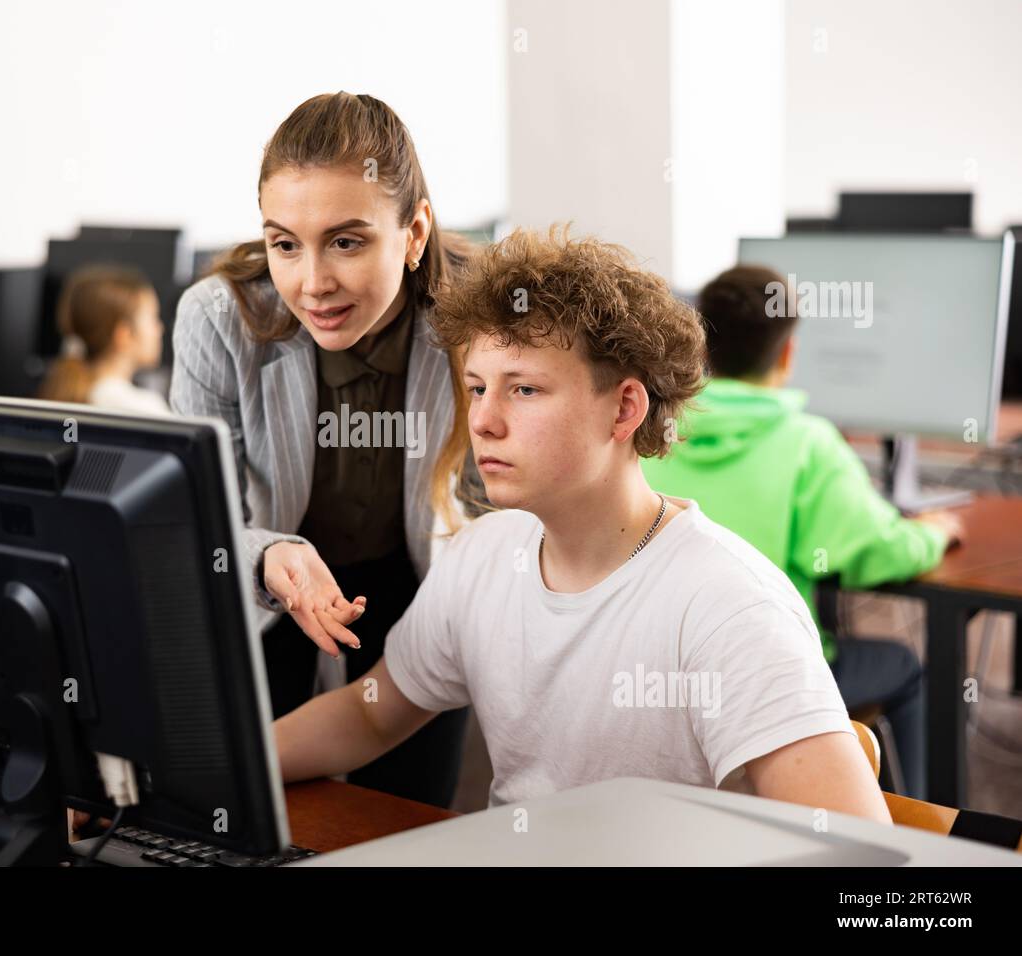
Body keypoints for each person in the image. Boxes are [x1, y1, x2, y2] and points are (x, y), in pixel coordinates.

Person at [273, 228, 892, 823]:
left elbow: (858, 859)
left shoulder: (728, 606)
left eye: (524, 390)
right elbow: (370, 715)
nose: (483, 421)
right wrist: (225, 768)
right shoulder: (483, 556)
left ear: (624, 408)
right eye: (478, 387)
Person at [170, 92, 474, 808]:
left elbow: (504, 496)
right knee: (256, 813)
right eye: (284, 243)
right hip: (270, 598)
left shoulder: (478, 314)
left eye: (347, 241)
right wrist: (267, 555)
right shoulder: (219, 319)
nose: (313, 283)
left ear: (414, 231)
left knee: (405, 821)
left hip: (420, 590)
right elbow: (196, 516)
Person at [641, 265, 963, 799]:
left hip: (660, 668)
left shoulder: (653, 429)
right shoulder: (808, 443)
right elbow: (878, 552)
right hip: (768, 680)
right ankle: (924, 833)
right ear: (788, 354)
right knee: (904, 667)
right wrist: (934, 531)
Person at [39, 264, 170, 415]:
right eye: (153, 318)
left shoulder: (61, 394)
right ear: (125, 335)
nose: (160, 329)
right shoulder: (145, 408)